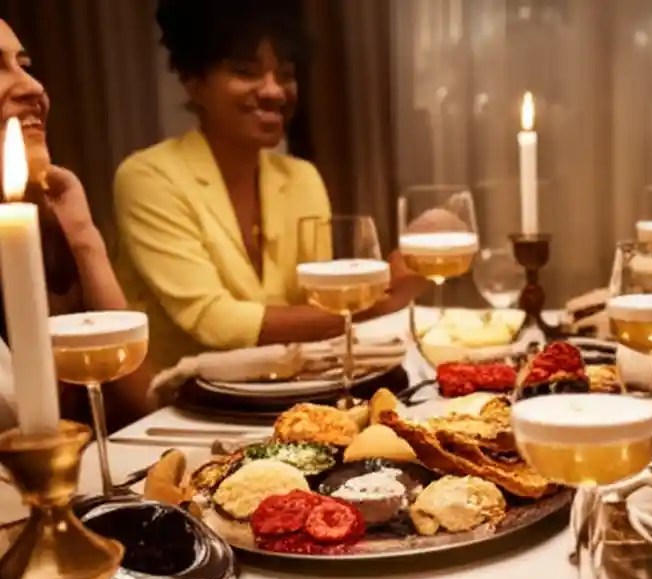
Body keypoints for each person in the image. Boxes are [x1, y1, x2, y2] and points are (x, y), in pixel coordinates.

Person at [113, 0, 424, 372]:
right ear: (193, 82)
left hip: (291, 393)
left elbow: (320, 308)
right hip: (183, 406)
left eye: (286, 74)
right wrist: (379, 300)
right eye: (247, 72)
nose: (274, 91)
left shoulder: (301, 179)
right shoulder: (149, 177)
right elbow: (215, 322)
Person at [0, 17, 152, 430]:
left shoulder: (35, 227)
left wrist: (85, 240)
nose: (33, 87)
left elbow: (138, 396)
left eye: (24, 64)